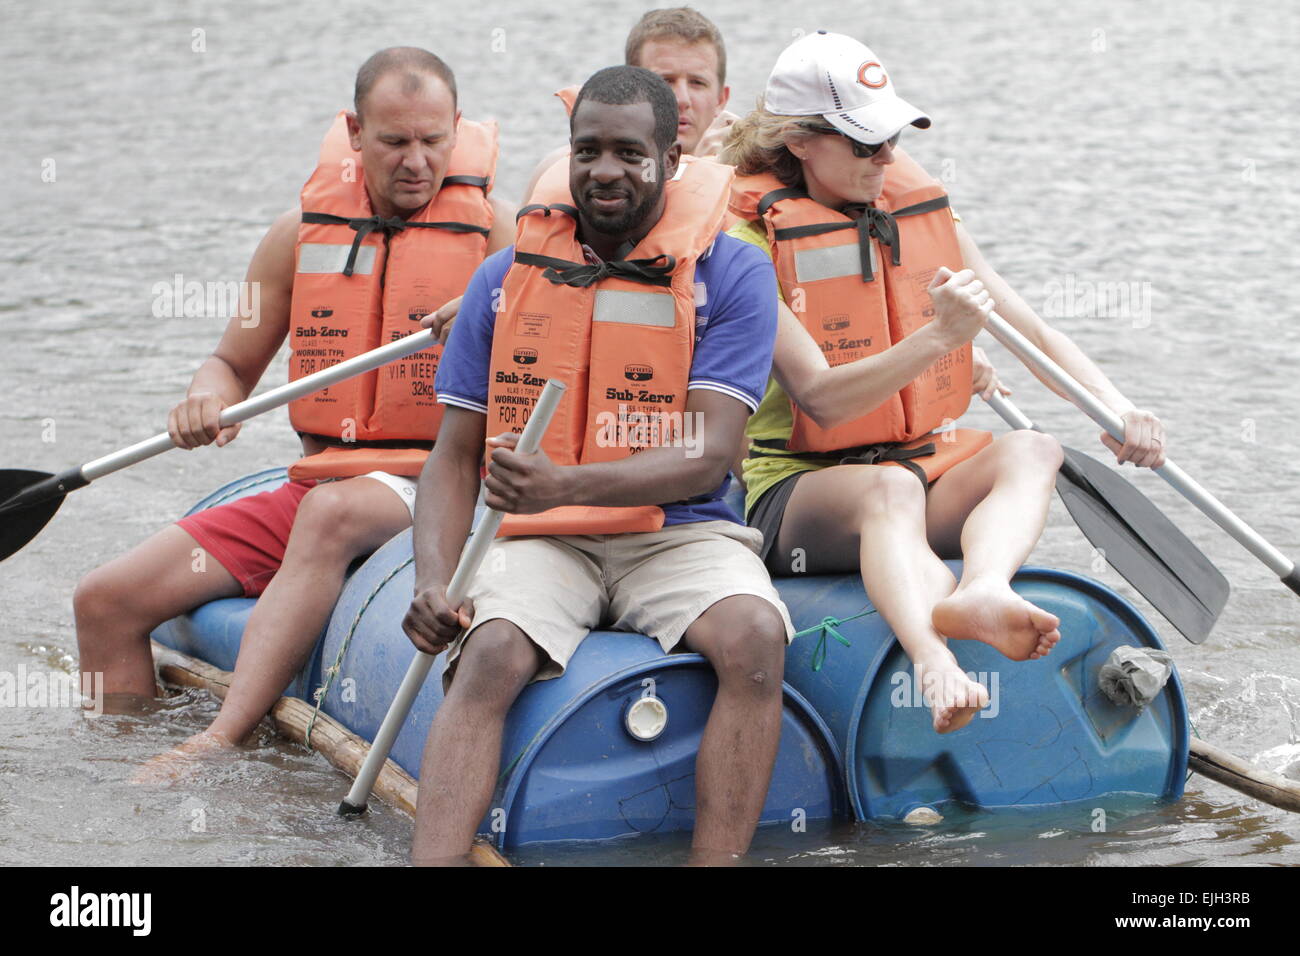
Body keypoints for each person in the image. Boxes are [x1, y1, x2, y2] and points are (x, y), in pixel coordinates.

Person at [71, 48, 516, 771]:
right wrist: (207, 398)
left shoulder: (503, 241)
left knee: (330, 514)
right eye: (394, 140)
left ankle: (218, 739)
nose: (416, 161)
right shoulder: (297, 235)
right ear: (353, 131)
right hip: (321, 480)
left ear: (457, 129)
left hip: (437, 482)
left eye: (433, 140)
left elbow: (556, 364)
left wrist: (498, 306)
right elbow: (231, 364)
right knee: (104, 601)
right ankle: (116, 772)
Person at [721, 32, 1168, 734]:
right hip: (795, 489)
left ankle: (984, 587)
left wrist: (1118, 409)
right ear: (800, 141)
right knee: (890, 489)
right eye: (865, 144)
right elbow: (821, 396)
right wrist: (938, 339)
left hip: (904, 462)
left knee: (1033, 451)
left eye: (891, 139)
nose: (887, 159)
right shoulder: (746, 245)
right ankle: (933, 661)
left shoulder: (914, 211)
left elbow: (1032, 331)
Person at [401, 66, 791, 865]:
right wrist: (434, 582)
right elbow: (452, 457)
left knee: (755, 636)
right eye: (588, 151)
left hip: (678, 534)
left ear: (672, 158)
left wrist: (565, 483)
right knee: (494, 651)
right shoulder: (506, 276)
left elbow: (710, 452)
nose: (604, 171)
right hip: (542, 538)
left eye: (628, 153)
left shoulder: (735, 274)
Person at [522, 6, 735, 201]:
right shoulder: (558, 172)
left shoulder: (744, 178)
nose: (682, 100)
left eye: (697, 83)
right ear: (630, 86)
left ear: (721, 100)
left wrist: (712, 172)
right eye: (665, 81)